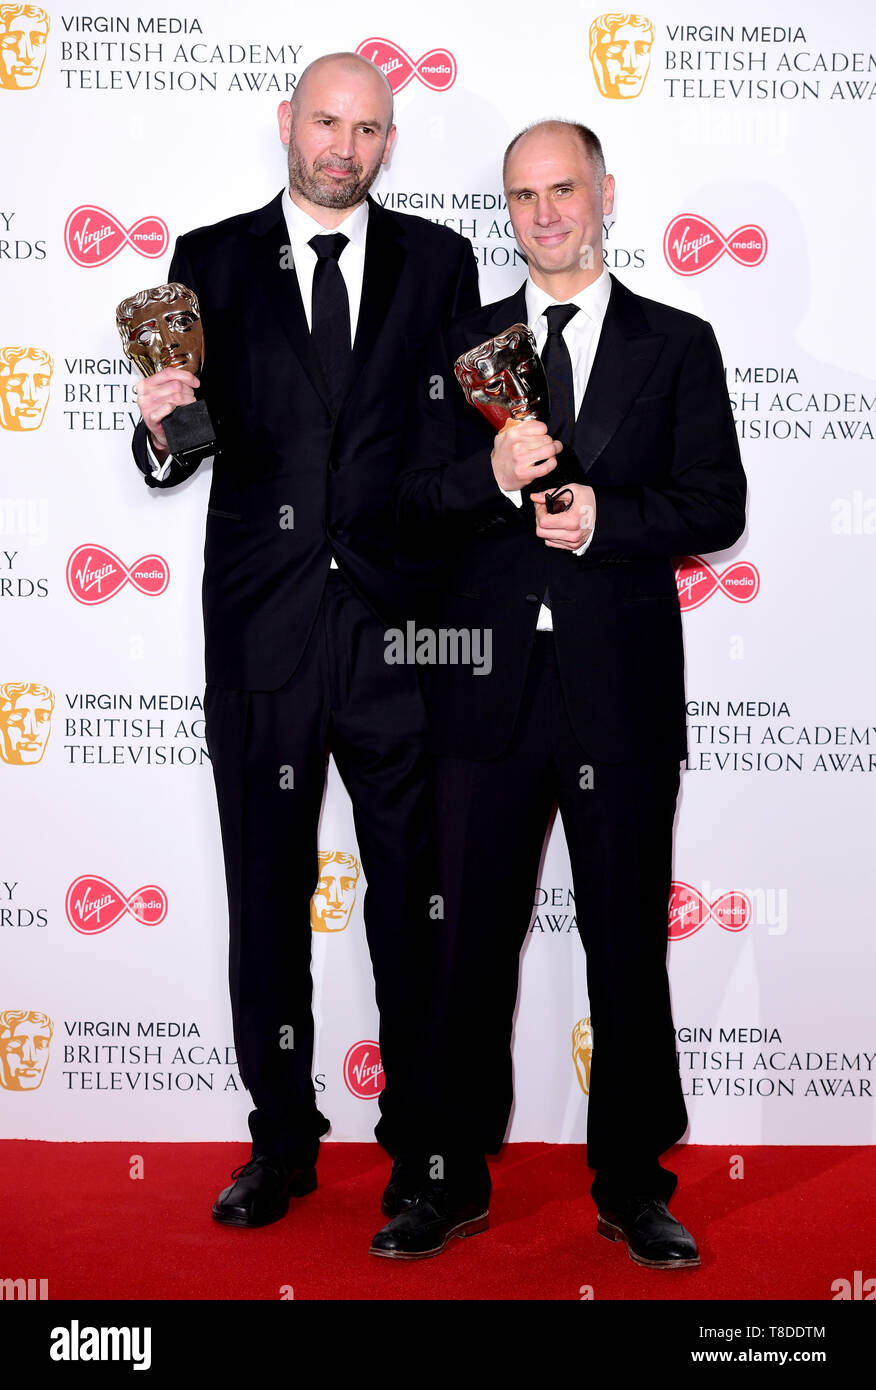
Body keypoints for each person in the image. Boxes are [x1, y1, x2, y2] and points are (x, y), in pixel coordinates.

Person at [371, 119, 746, 1265]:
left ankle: (634, 1181)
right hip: (481, 687)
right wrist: (486, 476)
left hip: (618, 686)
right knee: (465, 941)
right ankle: (445, 1176)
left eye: (563, 189)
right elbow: (406, 504)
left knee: (627, 938)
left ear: (604, 194)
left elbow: (717, 504)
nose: (544, 213)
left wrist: (608, 524)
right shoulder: (463, 344)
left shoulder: (677, 341)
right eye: (524, 195)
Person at [130, 51, 479, 1229]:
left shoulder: (441, 263)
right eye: (327, 122)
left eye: (368, 129)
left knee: (413, 902)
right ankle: (280, 1139)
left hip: (403, 639)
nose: (344, 147)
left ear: (390, 140)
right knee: (266, 895)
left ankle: (427, 1152)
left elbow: (461, 458)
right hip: (266, 636)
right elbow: (181, 444)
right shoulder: (212, 260)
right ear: (287, 122)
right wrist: (162, 428)